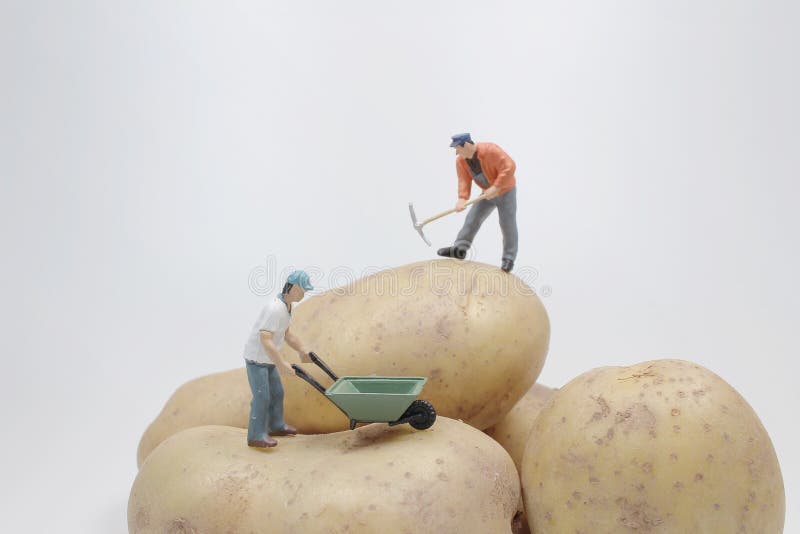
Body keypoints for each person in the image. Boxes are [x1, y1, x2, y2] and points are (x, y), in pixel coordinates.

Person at [242, 270, 313, 448]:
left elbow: (287, 335)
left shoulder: (287, 307)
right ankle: (256, 435)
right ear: (294, 289)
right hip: (257, 360)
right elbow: (265, 338)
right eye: (303, 290)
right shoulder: (275, 308)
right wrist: (281, 364)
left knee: (277, 393)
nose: (304, 294)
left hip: (269, 359)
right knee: (262, 397)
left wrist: (302, 350)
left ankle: (276, 425)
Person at [437, 133, 519, 272]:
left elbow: (509, 166)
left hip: (505, 192)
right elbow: (463, 180)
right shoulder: (461, 161)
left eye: (458, 149)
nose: (457, 152)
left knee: (507, 224)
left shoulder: (490, 150)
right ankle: (460, 249)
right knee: (472, 219)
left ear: (468, 145)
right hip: (486, 194)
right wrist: (462, 198)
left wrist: (497, 186)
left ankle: (508, 258)